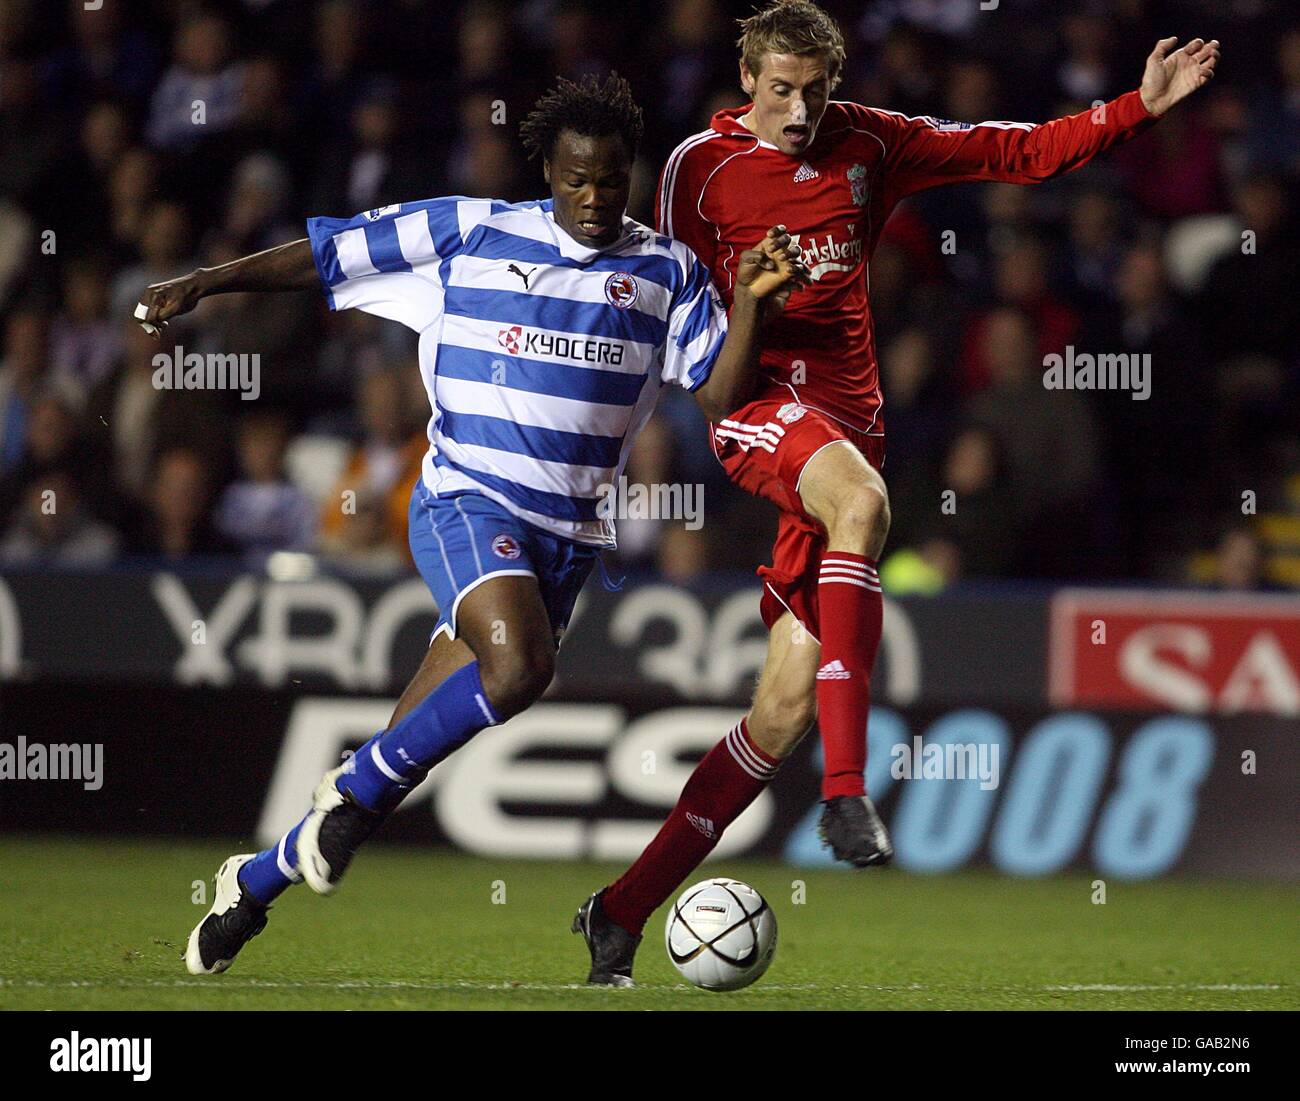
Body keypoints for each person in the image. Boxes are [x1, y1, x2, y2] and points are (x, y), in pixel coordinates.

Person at [574, 0, 1219, 986]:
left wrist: (1137, 104)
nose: (797, 111)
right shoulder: (693, 172)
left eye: (814, 92)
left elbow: (1023, 153)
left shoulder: (871, 143)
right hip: (756, 414)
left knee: (779, 711)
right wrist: (743, 306)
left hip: (845, 431)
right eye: (780, 90)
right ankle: (846, 791)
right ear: (748, 80)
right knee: (864, 508)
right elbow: (680, 330)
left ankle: (617, 911)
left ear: (835, 88)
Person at [132, 73, 807, 976]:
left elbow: (719, 391)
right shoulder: (468, 231)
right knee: (522, 666)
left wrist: (754, 301)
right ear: (547, 172)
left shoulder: (666, 271)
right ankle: (345, 803)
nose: (596, 198)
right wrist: (205, 282)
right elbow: (327, 255)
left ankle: (256, 880)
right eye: (577, 180)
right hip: (465, 501)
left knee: (387, 773)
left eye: (612, 179)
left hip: (567, 541)